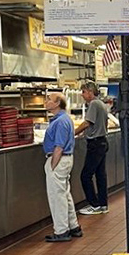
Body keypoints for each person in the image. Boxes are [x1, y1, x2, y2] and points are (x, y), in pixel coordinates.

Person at [43, 92, 82, 242]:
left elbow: (58, 147)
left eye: (49, 99)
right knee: (65, 194)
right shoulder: (65, 119)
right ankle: (74, 226)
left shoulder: (60, 122)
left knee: (57, 197)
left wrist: (52, 165)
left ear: (57, 103)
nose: (46, 101)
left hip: (58, 160)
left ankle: (61, 231)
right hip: (65, 160)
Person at [75, 81, 111, 215]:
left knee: (85, 175)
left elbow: (87, 123)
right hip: (102, 141)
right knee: (101, 175)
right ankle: (103, 204)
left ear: (90, 92)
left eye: (83, 92)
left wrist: (73, 133)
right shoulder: (102, 104)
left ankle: (94, 204)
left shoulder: (94, 104)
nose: (82, 95)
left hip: (95, 144)